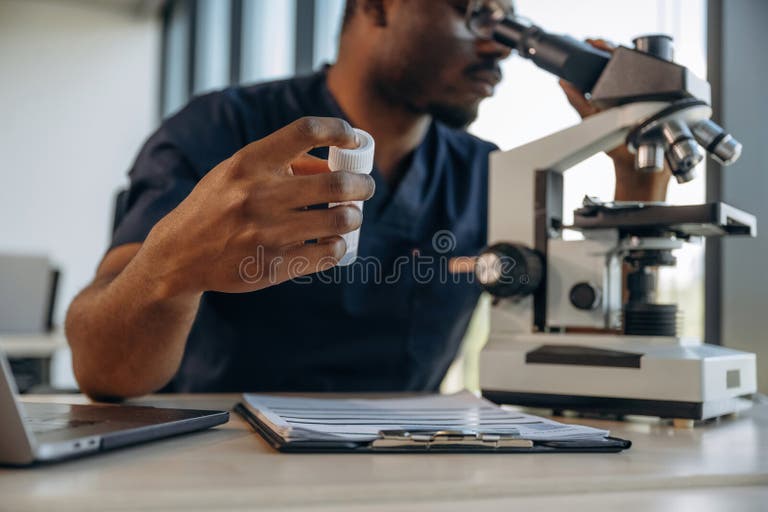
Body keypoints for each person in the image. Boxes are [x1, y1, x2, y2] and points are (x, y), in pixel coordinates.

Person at [66, 0, 669, 400]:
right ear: (374, 6)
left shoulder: (490, 174)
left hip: (405, 473)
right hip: (219, 470)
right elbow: (100, 368)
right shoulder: (221, 130)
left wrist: (637, 184)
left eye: (509, 23)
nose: (500, 47)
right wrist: (172, 267)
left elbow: (580, 370)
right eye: (473, 13)